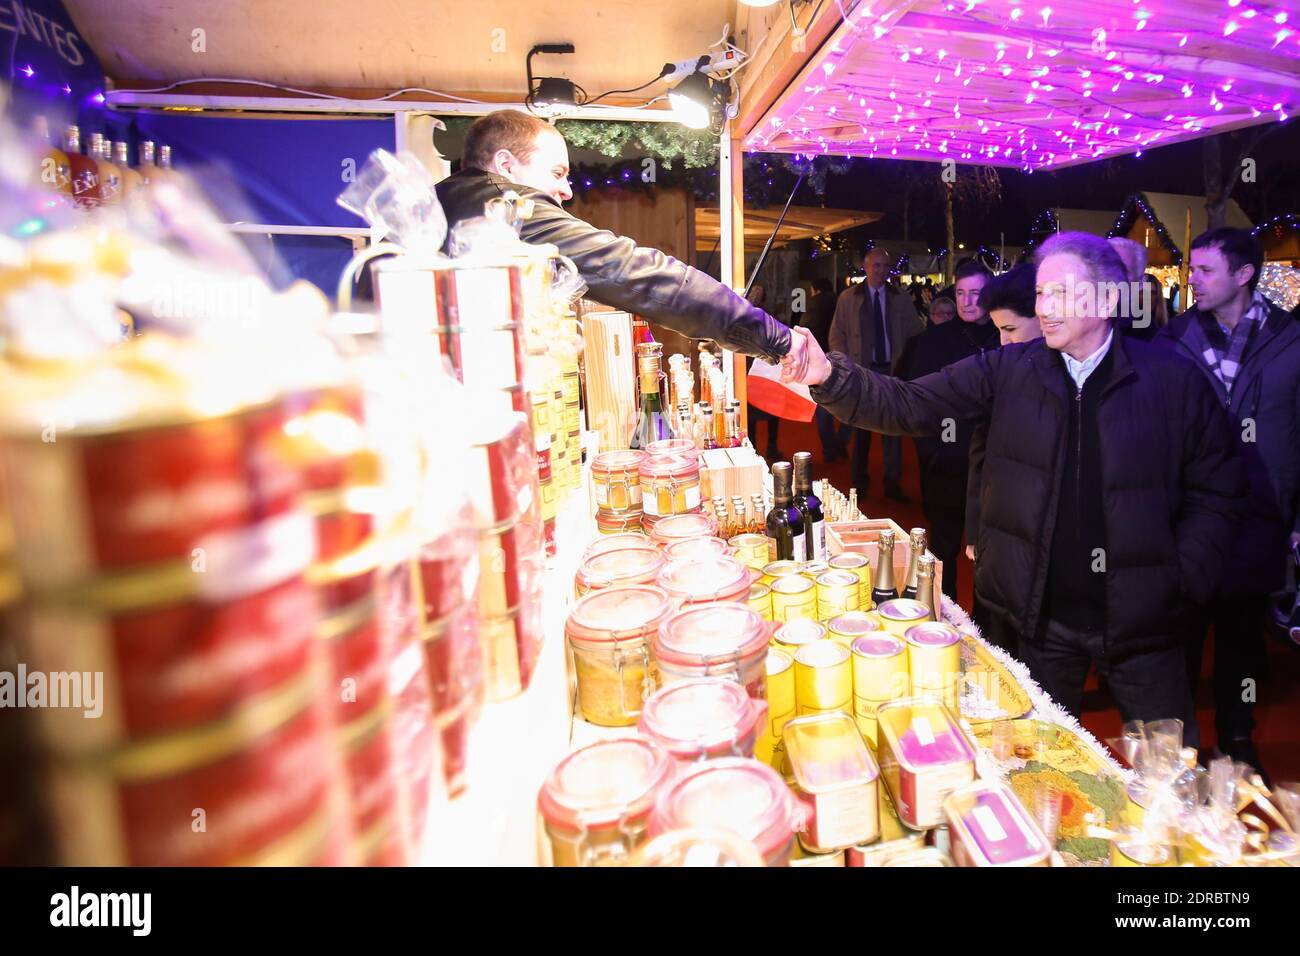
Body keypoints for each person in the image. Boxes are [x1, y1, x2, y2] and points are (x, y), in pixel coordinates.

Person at [785, 232, 1245, 743]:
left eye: (1063, 294)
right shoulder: (1010, 369)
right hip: (1042, 622)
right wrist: (830, 375)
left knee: (1172, 777)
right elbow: (910, 403)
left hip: (1147, 626)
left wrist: (1180, 582)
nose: (1046, 308)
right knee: (1039, 765)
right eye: (1042, 294)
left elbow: (1219, 491)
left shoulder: (1172, 380)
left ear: (1109, 299)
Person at [434, 110, 805, 372]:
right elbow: (639, 274)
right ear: (506, 165)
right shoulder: (505, 205)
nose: (565, 189)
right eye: (557, 173)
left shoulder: (444, 201)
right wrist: (778, 340)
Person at [1156, 227, 1300, 783]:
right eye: (1191, 269)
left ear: (1243, 274)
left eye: (1206, 270)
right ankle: (1180, 744)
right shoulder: (1173, 339)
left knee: (1242, 642)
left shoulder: (1291, 341)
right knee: (1183, 638)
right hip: (1191, 518)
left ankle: (1238, 742)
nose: (1193, 279)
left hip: (1262, 518)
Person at [896, 261, 997, 599]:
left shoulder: (1004, 334)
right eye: (961, 294)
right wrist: (932, 452)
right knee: (944, 544)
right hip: (947, 460)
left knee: (991, 549)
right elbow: (917, 397)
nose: (968, 302)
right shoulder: (933, 340)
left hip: (995, 463)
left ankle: (989, 625)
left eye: (976, 293)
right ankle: (944, 609)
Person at [963, 263, 1043, 655]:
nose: (1003, 342)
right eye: (996, 331)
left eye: (1010, 330)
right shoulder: (1001, 375)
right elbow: (981, 457)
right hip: (1001, 541)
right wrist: (975, 532)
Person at [829, 247, 924, 501]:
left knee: (893, 432)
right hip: (861, 372)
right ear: (866, 267)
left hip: (892, 372)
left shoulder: (900, 298)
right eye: (876, 266)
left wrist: (907, 364)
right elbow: (837, 335)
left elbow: (916, 332)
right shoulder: (848, 298)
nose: (881, 271)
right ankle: (858, 483)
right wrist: (845, 365)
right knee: (862, 432)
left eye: (885, 266)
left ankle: (892, 483)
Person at [801, 277, 847, 461]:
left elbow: (805, 330)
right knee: (850, 404)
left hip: (819, 359)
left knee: (824, 408)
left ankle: (830, 448)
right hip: (842, 358)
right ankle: (841, 442)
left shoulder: (813, 305)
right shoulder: (841, 301)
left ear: (815, 289)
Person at [746, 284, 784, 461]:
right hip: (767, 370)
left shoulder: (743, 317)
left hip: (750, 370)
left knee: (751, 412)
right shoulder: (770, 318)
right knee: (772, 411)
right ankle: (772, 447)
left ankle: (753, 447)